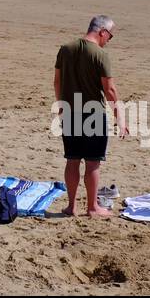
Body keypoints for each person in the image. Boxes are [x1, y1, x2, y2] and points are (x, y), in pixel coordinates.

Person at [54, 15, 128, 218]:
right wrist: (119, 117)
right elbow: (110, 90)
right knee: (93, 163)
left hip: (69, 111)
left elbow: (57, 81)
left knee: (72, 160)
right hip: (93, 113)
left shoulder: (65, 49)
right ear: (102, 31)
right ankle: (92, 207)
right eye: (110, 36)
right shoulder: (100, 54)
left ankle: (71, 207)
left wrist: (60, 104)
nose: (109, 41)